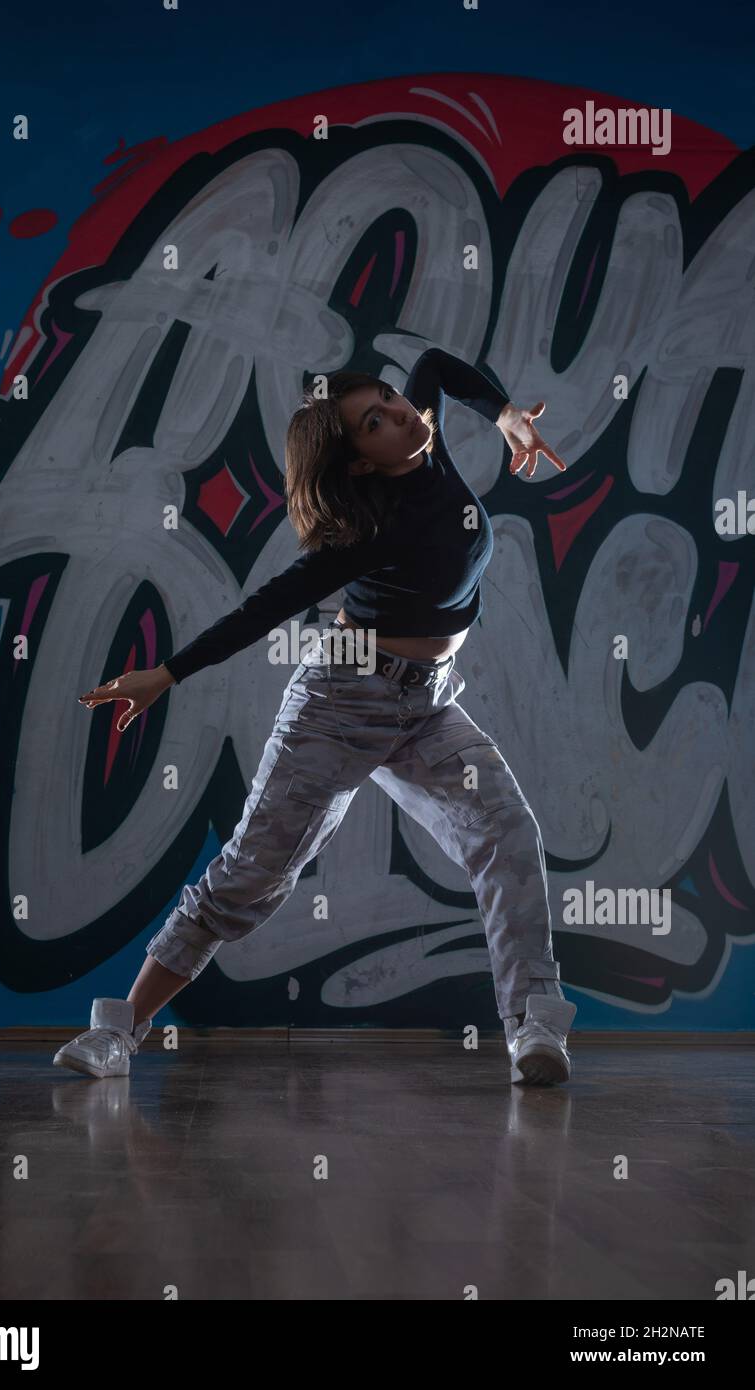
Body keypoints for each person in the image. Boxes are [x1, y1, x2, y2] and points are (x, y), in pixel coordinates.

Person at [54, 349, 577, 1085]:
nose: (401, 415)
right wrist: (165, 673)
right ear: (359, 462)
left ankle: (531, 1028)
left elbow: (433, 365)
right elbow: (262, 608)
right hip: (342, 705)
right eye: (375, 422)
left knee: (506, 830)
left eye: (391, 401)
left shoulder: (420, 428)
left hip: (428, 704)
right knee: (251, 877)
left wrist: (506, 417)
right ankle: (118, 1031)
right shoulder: (361, 532)